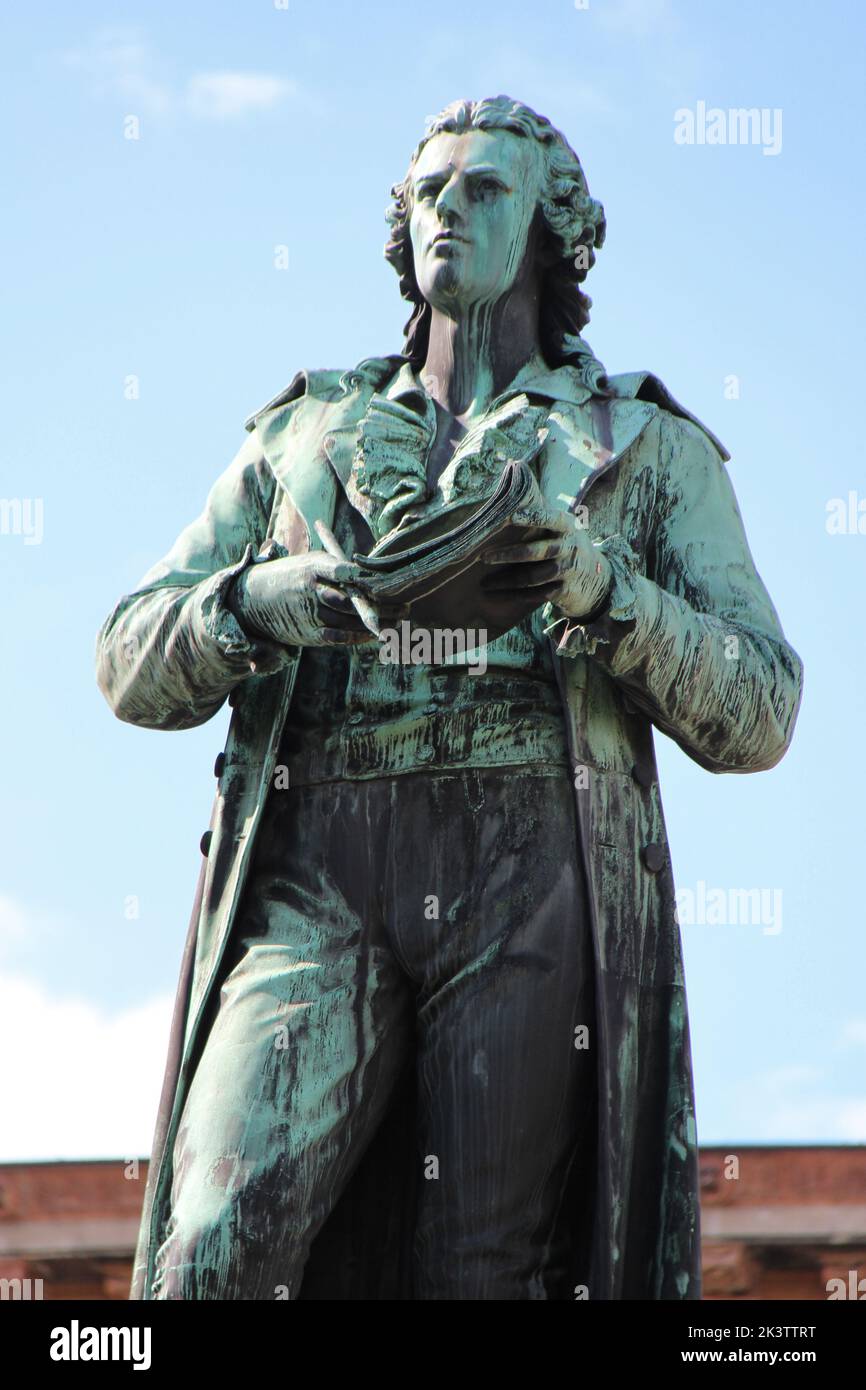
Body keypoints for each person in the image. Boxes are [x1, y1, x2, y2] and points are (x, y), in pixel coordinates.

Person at [96, 95, 804, 1300]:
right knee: (209, 1250)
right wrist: (263, 602)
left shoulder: (642, 444)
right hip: (316, 862)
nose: (447, 211)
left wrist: (602, 589)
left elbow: (759, 710)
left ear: (550, 227)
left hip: (527, 862)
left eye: (483, 190)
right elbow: (127, 657)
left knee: (483, 1271)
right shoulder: (298, 433)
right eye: (429, 191)